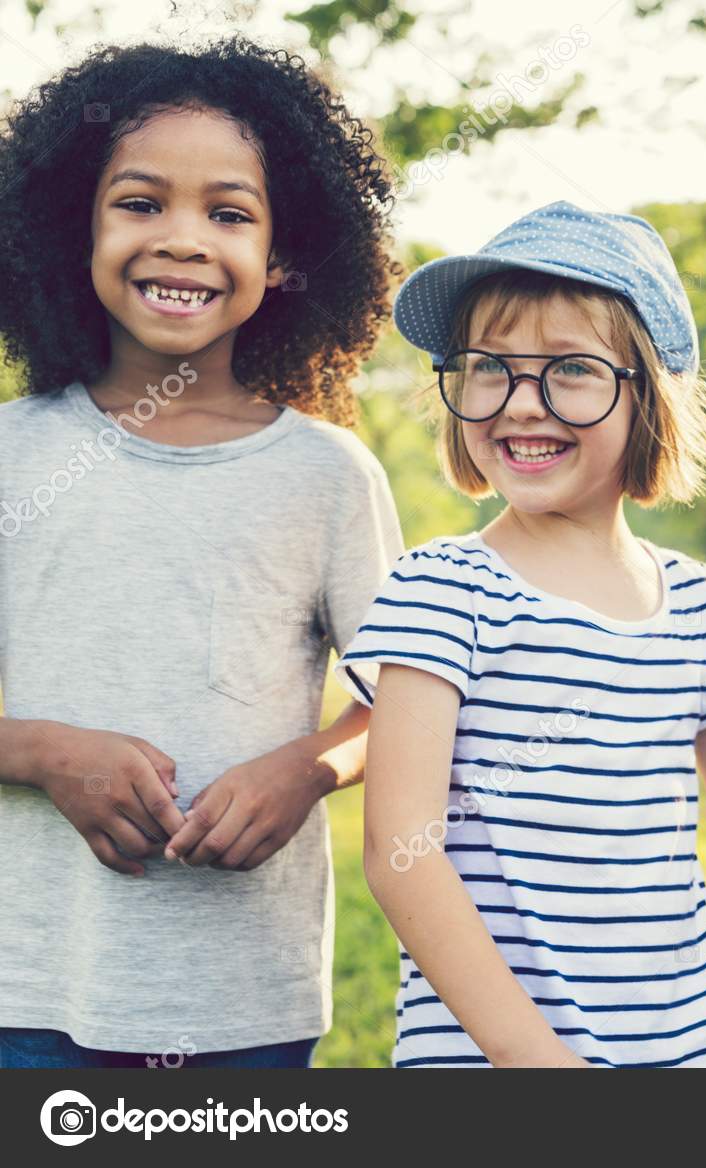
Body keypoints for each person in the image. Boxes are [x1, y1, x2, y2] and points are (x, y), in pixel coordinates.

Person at [342, 201, 706, 1067]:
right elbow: (401, 852)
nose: (522, 405)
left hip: (685, 1048)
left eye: (570, 370)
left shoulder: (700, 604)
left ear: (645, 396)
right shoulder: (442, 590)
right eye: (489, 368)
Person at [0, 38, 402, 1068]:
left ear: (283, 258)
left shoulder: (328, 474)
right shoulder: (13, 453)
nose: (183, 239)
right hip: (25, 983)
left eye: (229, 212)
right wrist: (45, 752)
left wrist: (305, 769)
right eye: (140, 203)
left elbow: (395, 703)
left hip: (241, 999)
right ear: (70, 231)